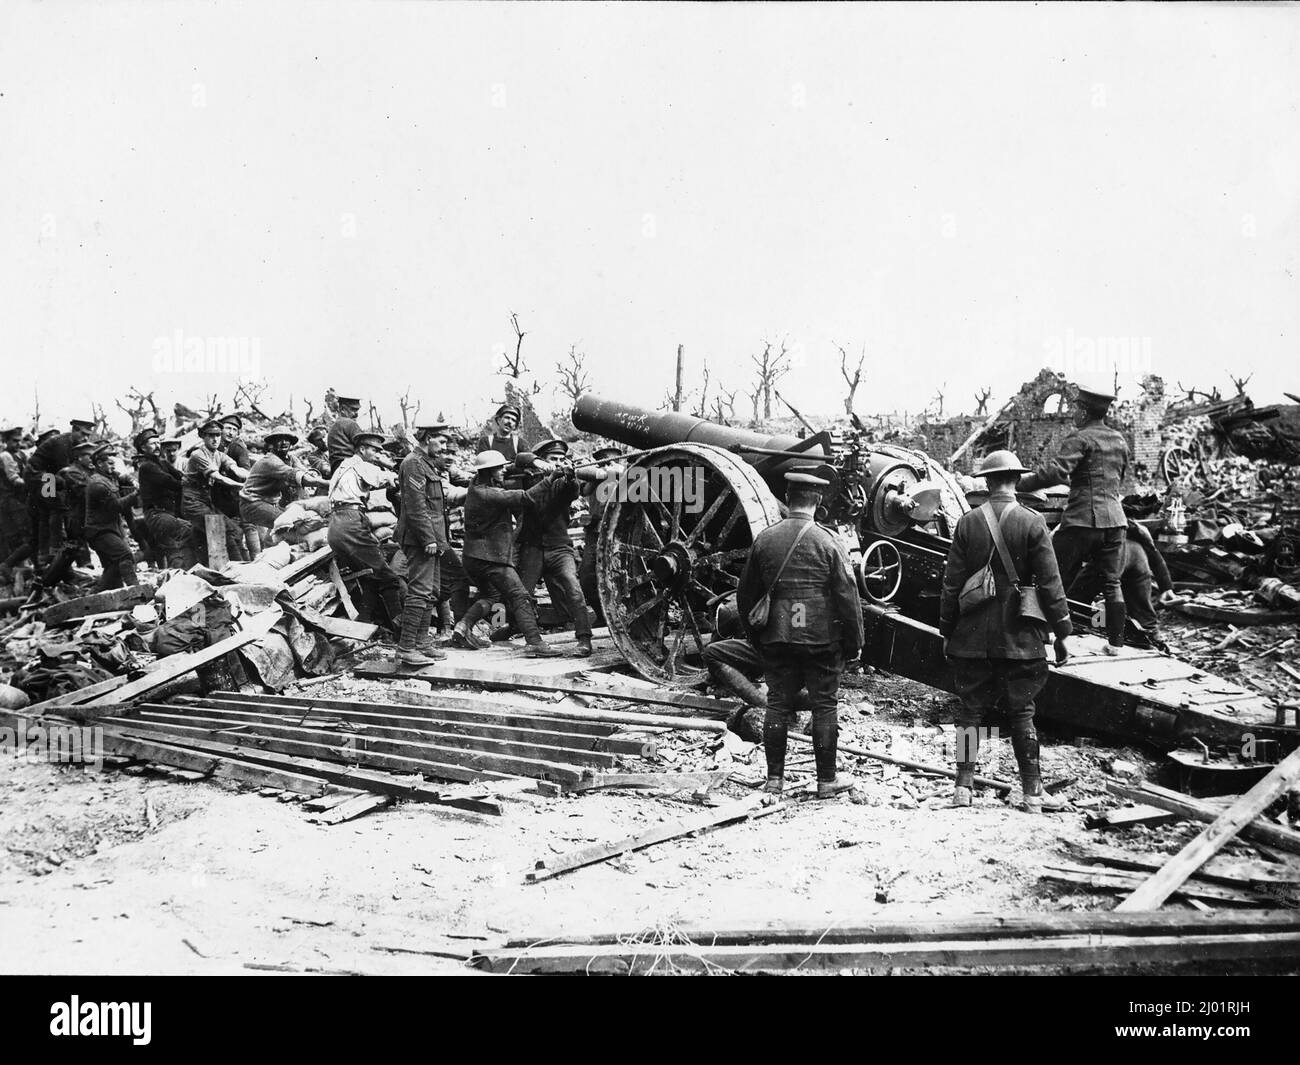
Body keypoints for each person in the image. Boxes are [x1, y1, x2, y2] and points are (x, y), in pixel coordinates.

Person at [938, 450, 1072, 813]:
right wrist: (1062, 632)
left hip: (972, 636)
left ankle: (962, 788)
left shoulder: (967, 523)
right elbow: (1050, 584)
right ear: (1016, 479)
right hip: (1020, 637)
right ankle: (1032, 792)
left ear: (986, 481)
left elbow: (951, 584)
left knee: (969, 714)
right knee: (1022, 713)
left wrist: (946, 628)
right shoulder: (1033, 522)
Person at [737, 471, 865, 802]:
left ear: (789, 499)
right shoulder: (828, 541)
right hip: (822, 639)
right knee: (824, 705)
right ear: (818, 502)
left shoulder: (765, 539)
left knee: (778, 703)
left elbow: (745, 596)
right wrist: (854, 644)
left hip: (777, 637)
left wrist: (757, 637)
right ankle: (826, 782)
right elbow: (848, 598)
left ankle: (774, 782)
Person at [1018, 386, 1130, 654]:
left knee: (1051, 574)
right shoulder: (1119, 440)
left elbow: (1057, 472)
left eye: (1075, 410)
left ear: (1084, 411)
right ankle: (1116, 644)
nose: (1073, 415)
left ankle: (1043, 636)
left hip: (1082, 521)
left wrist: (1018, 482)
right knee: (1112, 583)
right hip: (1115, 521)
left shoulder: (1080, 438)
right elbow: (1114, 478)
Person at [452, 450, 564, 657]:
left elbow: (518, 460)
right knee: (520, 596)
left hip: (472, 557)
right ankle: (534, 642)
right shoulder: (489, 494)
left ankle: (462, 626)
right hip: (491, 558)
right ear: (488, 472)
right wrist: (552, 478)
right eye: (499, 468)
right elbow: (528, 497)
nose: (504, 470)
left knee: (491, 596)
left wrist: (537, 463)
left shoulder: (477, 484)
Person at [511, 437, 595, 655]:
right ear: (542, 460)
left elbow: (573, 490)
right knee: (522, 593)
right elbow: (519, 460)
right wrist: (538, 463)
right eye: (553, 458)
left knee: (573, 588)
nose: (559, 461)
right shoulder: (530, 480)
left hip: (559, 547)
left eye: (561, 458)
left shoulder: (564, 481)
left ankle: (584, 640)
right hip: (533, 547)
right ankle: (531, 639)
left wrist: (568, 476)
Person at [392, 423, 461, 666]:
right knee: (420, 590)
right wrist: (428, 539)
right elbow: (415, 506)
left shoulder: (426, 463)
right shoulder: (413, 463)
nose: (444, 448)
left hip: (432, 537)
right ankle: (406, 647)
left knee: (431, 591)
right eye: (441, 442)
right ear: (428, 438)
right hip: (419, 539)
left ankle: (421, 642)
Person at [327, 431, 404, 632]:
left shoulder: (344, 466)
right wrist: (399, 476)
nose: (378, 454)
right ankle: (402, 629)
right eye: (374, 450)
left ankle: (363, 623)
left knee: (371, 574)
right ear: (362, 449)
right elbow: (385, 478)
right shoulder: (360, 465)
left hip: (337, 523)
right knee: (388, 577)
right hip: (351, 522)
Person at [1067, 517, 1179, 649]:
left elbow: (1071, 561)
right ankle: (1152, 635)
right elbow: (1154, 554)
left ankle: (1075, 627)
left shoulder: (1090, 523)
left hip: (1113, 556)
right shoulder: (1137, 529)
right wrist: (1166, 587)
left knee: (1076, 599)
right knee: (1143, 609)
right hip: (1138, 557)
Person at [25, 417, 94, 562]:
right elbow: (65, 471)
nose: (85, 438)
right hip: (39, 475)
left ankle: (54, 552)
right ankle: (52, 549)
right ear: (74, 430)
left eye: (88, 435)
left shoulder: (73, 444)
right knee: (55, 506)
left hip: (50, 476)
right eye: (82, 434)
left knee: (54, 508)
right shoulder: (61, 443)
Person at [239, 430, 326, 544]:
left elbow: (303, 470)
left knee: (285, 522)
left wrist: (311, 474)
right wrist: (330, 483)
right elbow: (302, 478)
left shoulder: (291, 459)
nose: (284, 442)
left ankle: (269, 548)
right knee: (289, 522)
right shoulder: (270, 461)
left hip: (270, 502)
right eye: (279, 440)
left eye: (287, 440)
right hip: (252, 504)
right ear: (272, 444)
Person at [182, 420, 248, 565]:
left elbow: (237, 470)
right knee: (223, 527)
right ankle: (240, 567)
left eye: (218, 435)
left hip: (205, 501)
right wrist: (241, 486)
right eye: (210, 435)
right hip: (192, 502)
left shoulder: (219, 454)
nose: (215, 439)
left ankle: (212, 570)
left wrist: (253, 478)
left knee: (207, 535)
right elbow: (219, 478)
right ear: (203, 437)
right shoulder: (197, 454)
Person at [135, 429, 196, 569]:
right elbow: (170, 481)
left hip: (166, 514)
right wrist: (189, 483)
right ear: (143, 448)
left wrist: (195, 477)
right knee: (183, 536)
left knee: (172, 544)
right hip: (157, 515)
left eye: (158, 442)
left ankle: (176, 574)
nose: (157, 446)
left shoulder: (162, 463)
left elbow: (180, 475)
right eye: (152, 444)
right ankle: (178, 577)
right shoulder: (147, 466)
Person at [577, 446, 624, 624]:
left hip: (618, 535)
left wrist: (617, 472)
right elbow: (582, 481)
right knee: (587, 577)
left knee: (618, 575)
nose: (610, 463)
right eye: (604, 460)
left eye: (613, 460)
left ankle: (621, 615)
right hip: (594, 534)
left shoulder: (627, 475)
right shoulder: (594, 478)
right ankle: (602, 614)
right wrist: (603, 473)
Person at [83, 445, 140, 590]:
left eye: (114, 463)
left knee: (113, 566)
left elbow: (121, 476)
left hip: (107, 529)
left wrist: (130, 480)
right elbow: (116, 506)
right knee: (125, 555)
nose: (113, 466)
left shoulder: (108, 477)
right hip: (99, 532)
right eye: (109, 463)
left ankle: (97, 593)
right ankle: (136, 590)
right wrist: (136, 495)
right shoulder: (98, 484)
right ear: (99, 464)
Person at [217, 413, 260, 557]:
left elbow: (246, 471)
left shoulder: (237, 447)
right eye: (228, 428)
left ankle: (257, 559)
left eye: (234, 430)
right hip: (222, 494)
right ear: (220, 429)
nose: (230, 432)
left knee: (248, 524)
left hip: (237, 492)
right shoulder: (217, 446)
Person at [0, 426, 31, 580]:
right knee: (19, 534)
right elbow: (14, 479)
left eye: (19, 441)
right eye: (14, 441)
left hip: (19, 499)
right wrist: (33, 484)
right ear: (5, 441)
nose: (18, 444)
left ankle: (21, 567)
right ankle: (11, 566)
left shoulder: (21, 455)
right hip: (9, 500)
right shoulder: (5, 456)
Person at [327, 395, 365, 472]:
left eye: (357, 410)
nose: (356, 414)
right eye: (353, 410)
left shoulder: (334, 426)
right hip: (351, 468)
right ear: (342, 409)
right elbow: (366, 447)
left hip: (337, 470)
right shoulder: (350, 423)